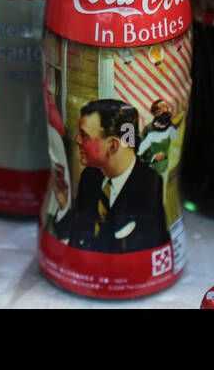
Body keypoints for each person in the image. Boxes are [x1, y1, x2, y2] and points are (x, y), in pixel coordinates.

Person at [48, 99, 169, 254]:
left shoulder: (149, 184)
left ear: (112, 145)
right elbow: (76, 235)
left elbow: (153, 246)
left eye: (84, 135)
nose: (77, 140)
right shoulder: (89, 177)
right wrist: (64, 205)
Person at [136, 98, 178, 179]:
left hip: (170, 170)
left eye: (165, 107)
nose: (165, 110)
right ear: (155, 113)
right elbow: (139, 150)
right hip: (153, 170)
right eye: (160, 108)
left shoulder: (172, 127)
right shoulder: (149, 129)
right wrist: (153, 157)